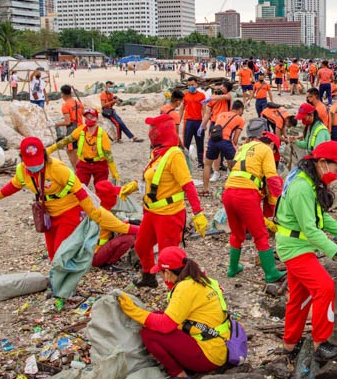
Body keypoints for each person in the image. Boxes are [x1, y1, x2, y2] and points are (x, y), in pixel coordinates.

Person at [275, 141, 337, 363]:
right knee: (324, 288)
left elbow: (319, 218)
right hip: (295, 247)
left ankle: (289, 345)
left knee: (299, 297)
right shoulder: (302, 187)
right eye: (336, 167)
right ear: (322, 163)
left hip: (295, 243)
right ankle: (321, 343)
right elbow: (310, 229)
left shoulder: (307, 179)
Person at [0, 137, 126, 260]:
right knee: (52, 253)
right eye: (30, 164)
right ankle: (59, 280)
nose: (34, 167)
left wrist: (92, 213)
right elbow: (10, 188)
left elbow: (79, 191)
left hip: (69, 210)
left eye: (37, 163)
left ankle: (65, 285)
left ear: (44, 156)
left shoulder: (57, 168)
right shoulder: (22, 171)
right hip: (48, 214)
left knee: (60, 251)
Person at [117, 247, 232, 379]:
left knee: (149, 333)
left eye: (161, 273)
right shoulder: (200, 278)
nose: (162, 277)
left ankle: (179, 375)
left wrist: (132, 310)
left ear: (168, 272)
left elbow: (166, 325)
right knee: (158, 315)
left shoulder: (185, 288)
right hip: (219, 343)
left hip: (209, 356)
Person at [134, 115, 208, 287]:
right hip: (152, 212)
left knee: (169, 258)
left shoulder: (174, 154)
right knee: (141, 245)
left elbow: (188, 185)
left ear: (160, 132)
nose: (149, 133)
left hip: (169, 215)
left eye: (152, 129)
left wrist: (198, 213)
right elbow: (154, 179)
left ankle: (175, 293)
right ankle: (148, 277)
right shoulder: (158, 153)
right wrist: (134, 186)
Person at [223, 124, 285, 282]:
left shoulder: (243, 147)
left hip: (229, 191)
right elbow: (272, 178)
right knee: (260, 235)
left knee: (237, 232)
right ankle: (270, 273)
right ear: (271, 145)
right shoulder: (266, 150)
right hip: (247, 194)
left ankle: (233, 268)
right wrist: (281, 204)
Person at [47, 107, 119, 188]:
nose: (89, 119)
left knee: (101, 188)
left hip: (100, 164)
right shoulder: (80, 130)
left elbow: (108, 155)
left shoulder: (102, 134)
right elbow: (65, 141)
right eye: (87, 117)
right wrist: (50, 149)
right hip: (84, 164)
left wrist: (114, 171)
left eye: (92, 117)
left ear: (97, 119)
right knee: (79, 187)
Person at [91, 180, 139, 268]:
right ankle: (108, 263)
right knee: (129, 238)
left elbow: (114, 225)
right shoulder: (103, 213)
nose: (116, 198)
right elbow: (124, 228)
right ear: (107, 198)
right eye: (113, 196)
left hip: (91, 252)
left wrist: (130, 222)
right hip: (95, 257)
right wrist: (148, 229)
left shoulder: (95, 207)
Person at [205, 100, 245, 187]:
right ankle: (231, 182)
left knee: (207, 165)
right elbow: (235, 139)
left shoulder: (221, 114)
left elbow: (217, 127)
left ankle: (205, 188)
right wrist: (234, 148)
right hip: (226, 141)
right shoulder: (240, 119)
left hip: (213, 138)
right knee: (233, 164)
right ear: (240, 110)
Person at [182, 77, 207, 170]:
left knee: (200, 142)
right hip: (188, 121)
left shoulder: (202, 96)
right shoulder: (185, 95)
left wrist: (204, 123)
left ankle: (200, 162)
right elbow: (182, 108)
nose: (191, 87)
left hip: (199, 122)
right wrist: (178, 120)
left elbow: (204, 109)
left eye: (192, 85)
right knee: (186, 143)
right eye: (189, 85)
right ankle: (184, 162)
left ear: (196, 85)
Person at [56, 84, 84, 168]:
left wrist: (56, 124)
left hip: (72, 129)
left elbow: (67, 122)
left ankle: (76, 169)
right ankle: (78, 169)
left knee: (70, 150)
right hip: (81, 127)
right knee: (77, 150)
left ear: (62, 94)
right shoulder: (78, 102)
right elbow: (83, 113)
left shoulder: (65, 106)